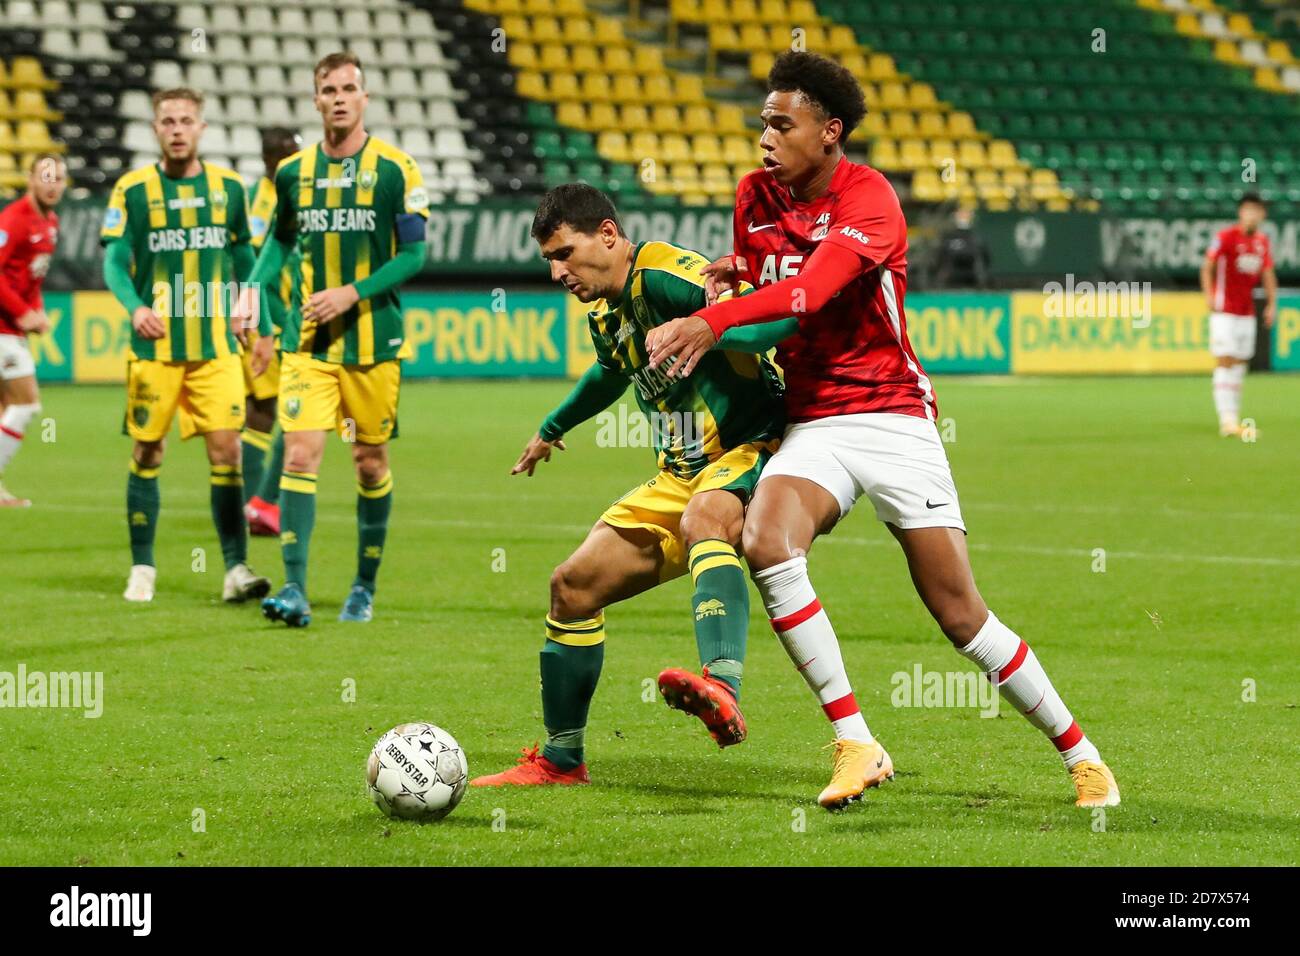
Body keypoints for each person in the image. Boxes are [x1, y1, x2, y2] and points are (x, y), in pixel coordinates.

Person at [647, 51, 1119, 811]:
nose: (764, 136)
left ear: (829, 132)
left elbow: (805, 293)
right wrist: (739, 273)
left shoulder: (873, 199)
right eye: (761, 121)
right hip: (817, 421)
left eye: (781, 122)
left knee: (959, 613)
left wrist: (708, 319)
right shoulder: (754, 197)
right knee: (767, 541)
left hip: (894, 414)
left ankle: (1081, 753)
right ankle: (855, 742)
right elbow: (773, 295)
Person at [471, 184, 794, 787]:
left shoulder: (666, 274)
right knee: (571, 587)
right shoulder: (604, 311)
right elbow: (610, 371)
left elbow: (773, 316)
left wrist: (715, 324)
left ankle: (722, 688)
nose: (558, 271)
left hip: (755, 447)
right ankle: (562, 761)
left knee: (706, 518)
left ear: (608, 235)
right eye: (548, 261)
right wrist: (551, 427)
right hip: (683, 472)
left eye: (565, 253)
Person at [233, 52, 428, 627]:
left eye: (349, 88)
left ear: (363, 99)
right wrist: (250, 291)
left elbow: (415, 254)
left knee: (369, 463)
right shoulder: (292, 173)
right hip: (308, 345)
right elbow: (279, 243)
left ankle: (362, 587)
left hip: (373, 345)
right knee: (299, 453)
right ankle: (293, 586)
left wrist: (353, 292)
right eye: (328, 89)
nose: (339, 97)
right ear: (316, 101)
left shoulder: (397, 169)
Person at [101, 88, 273, 604]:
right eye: (168, 121)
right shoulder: (131, 190)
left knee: (229, 452)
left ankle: (235, 569)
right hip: (155, 349)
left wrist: (258, 319)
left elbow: (246, 255)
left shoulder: (228, 189)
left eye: (186, 120)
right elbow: (114, 260)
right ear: (155, 130)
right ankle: (143, 567)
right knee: (147, 450)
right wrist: (134, 306)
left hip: (216, 347)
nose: (177, 129)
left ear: (201, 128)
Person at [242, 126, 302, 536]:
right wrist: (272, 319)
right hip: (266, 320)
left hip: (283, 318)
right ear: (269, 159)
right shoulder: (257, 202)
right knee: (273, 410)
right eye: (287, 153)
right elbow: (252, 266)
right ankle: (257, 501)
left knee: (269, 411)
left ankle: (255, 502)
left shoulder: (294, 196)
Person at [0, 153, 66, 507]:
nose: (52, 184)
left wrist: (36, 309)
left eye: (58, 178)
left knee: (5, 407)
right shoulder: (14, 220)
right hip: (2, 329)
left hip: (12, 329)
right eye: (46, 176)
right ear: (30, 180)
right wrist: (24, 313)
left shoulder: (50, 223)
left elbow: (31, 277)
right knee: (27, 405)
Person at [1201, 192, 1276, 437]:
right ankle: (1227, 421)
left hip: (1246, 311)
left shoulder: (1262, 242)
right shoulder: (1224, 237)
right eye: (1250, 209)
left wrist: (1271, 303)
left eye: (1259, 210)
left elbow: (1267, 273)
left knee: (1241, 363)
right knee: (1225, 359)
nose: (1254, 214)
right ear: (1241, 211)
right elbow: (1207, 267)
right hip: (1224, 309)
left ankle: (1234, 417)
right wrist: (1208, 295)